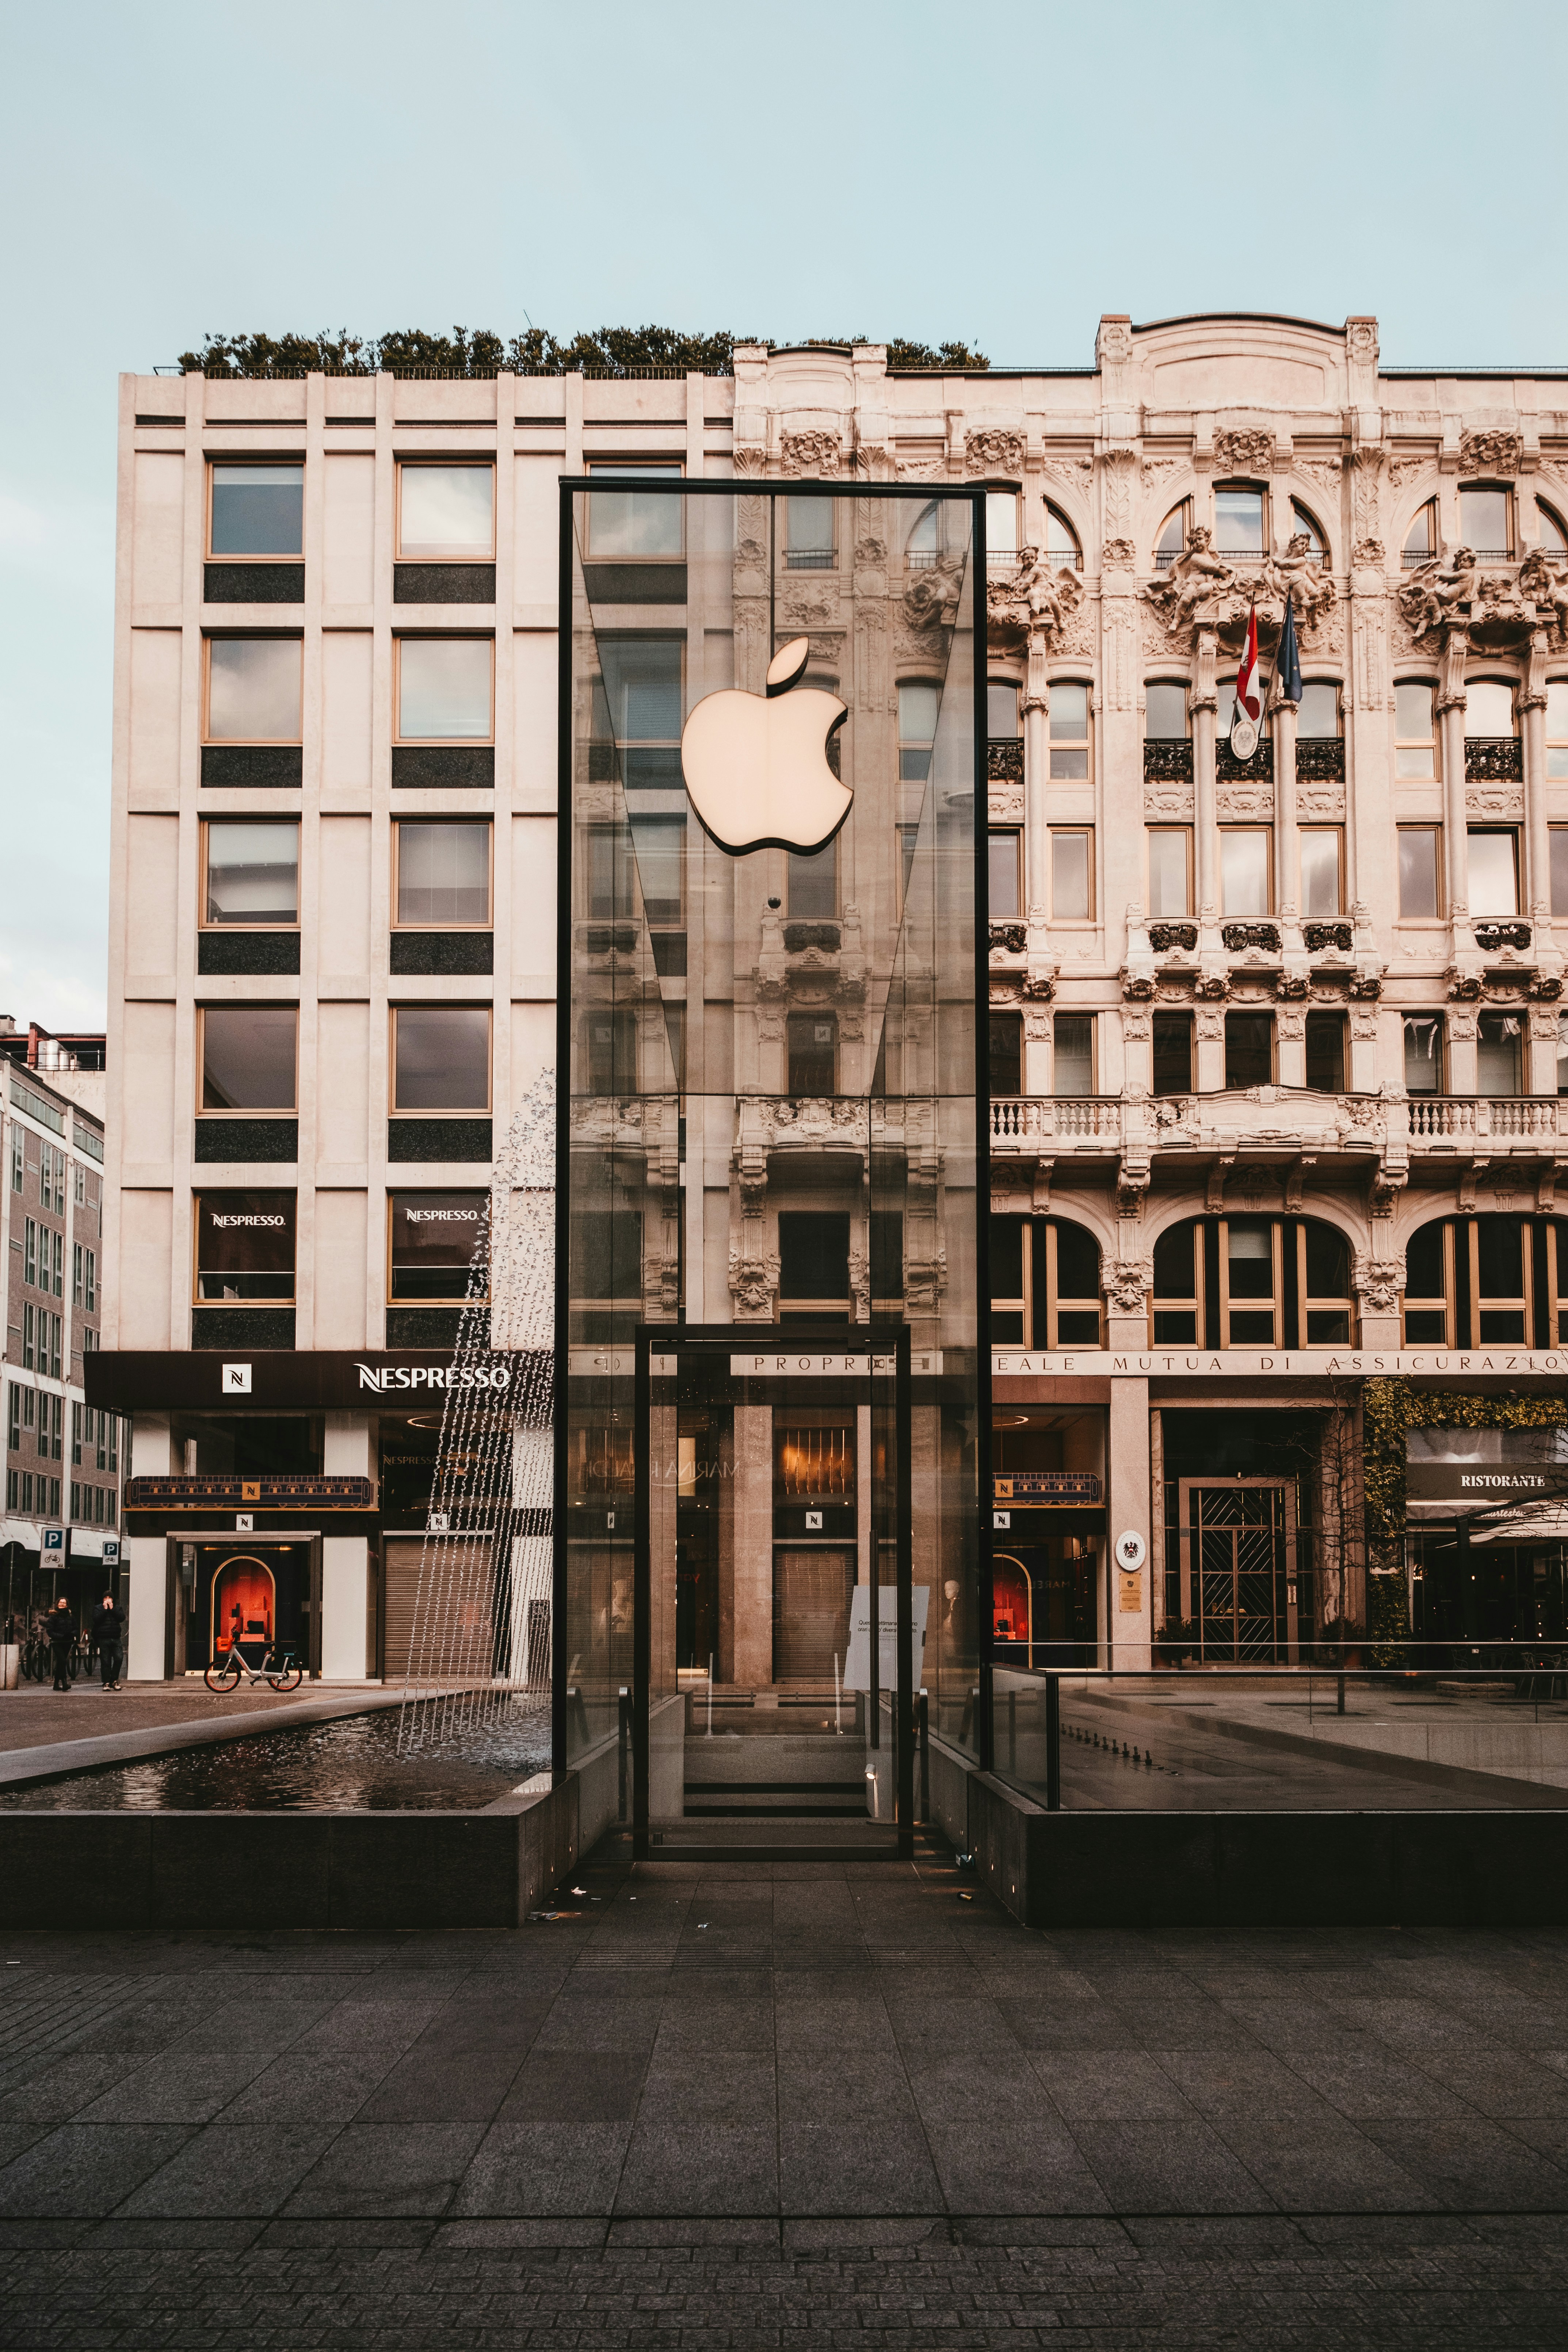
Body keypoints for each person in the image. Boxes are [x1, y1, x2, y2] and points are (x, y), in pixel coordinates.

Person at [46, 1595, 76, 1693]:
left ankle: (56, 1685)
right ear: (57, 1604)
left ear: (67, 1605)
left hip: (68, 1642)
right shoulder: (54, 1616)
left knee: (60, 1663)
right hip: (57, 1642)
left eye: (64, 1603)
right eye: (60, 1603)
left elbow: (76, 1628)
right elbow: (50, 1631)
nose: (62, 1604)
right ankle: (64, 1683)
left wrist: (72, 1634)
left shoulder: (71, 1616)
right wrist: (60, 1636)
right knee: (63, 1660)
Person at [97, 1592, 126, 1690]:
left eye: (110, 1598)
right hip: (104, 1638)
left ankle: (114, 1680)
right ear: (103, 1599)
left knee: (119, 1658)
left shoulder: (117, 1608)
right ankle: (106, 1683)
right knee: (106, 1661)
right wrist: (105, 1610)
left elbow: (122, 1618)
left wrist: (112, 1609)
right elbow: (96, 1620)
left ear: (113, 1600)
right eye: (106, 1597)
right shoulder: (98, 1608)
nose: (108, 1599)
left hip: (116, 1638)